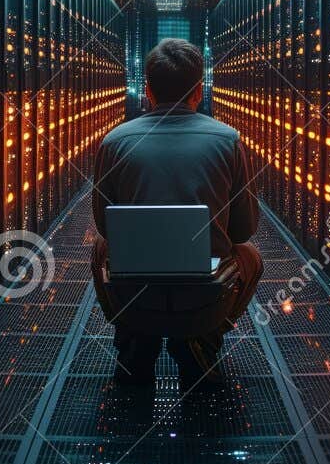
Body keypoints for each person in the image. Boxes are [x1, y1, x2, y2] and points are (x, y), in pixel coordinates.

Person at [90, 38, 264, 391]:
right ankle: (208, 333)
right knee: (251, 256)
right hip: (204, 295)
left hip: (134, 294)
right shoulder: (228, 139)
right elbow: (244, 230)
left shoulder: (115, 140)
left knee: (100, 247)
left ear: (148, 91)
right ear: (199, 91)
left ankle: (131, 333)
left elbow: (104, 224)